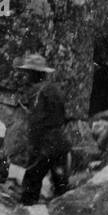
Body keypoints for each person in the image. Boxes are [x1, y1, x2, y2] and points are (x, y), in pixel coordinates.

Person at [18, 53, 69, 205]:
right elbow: (62, 116)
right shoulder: (55, 89)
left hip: (44, 143)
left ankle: (25, 214)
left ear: (34, 74)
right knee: (60, 183)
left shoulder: (37, 92)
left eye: (28, 72)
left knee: (31, 180)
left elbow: (37, 121)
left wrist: (33, 147)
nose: (26, 76)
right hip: (60, 141)